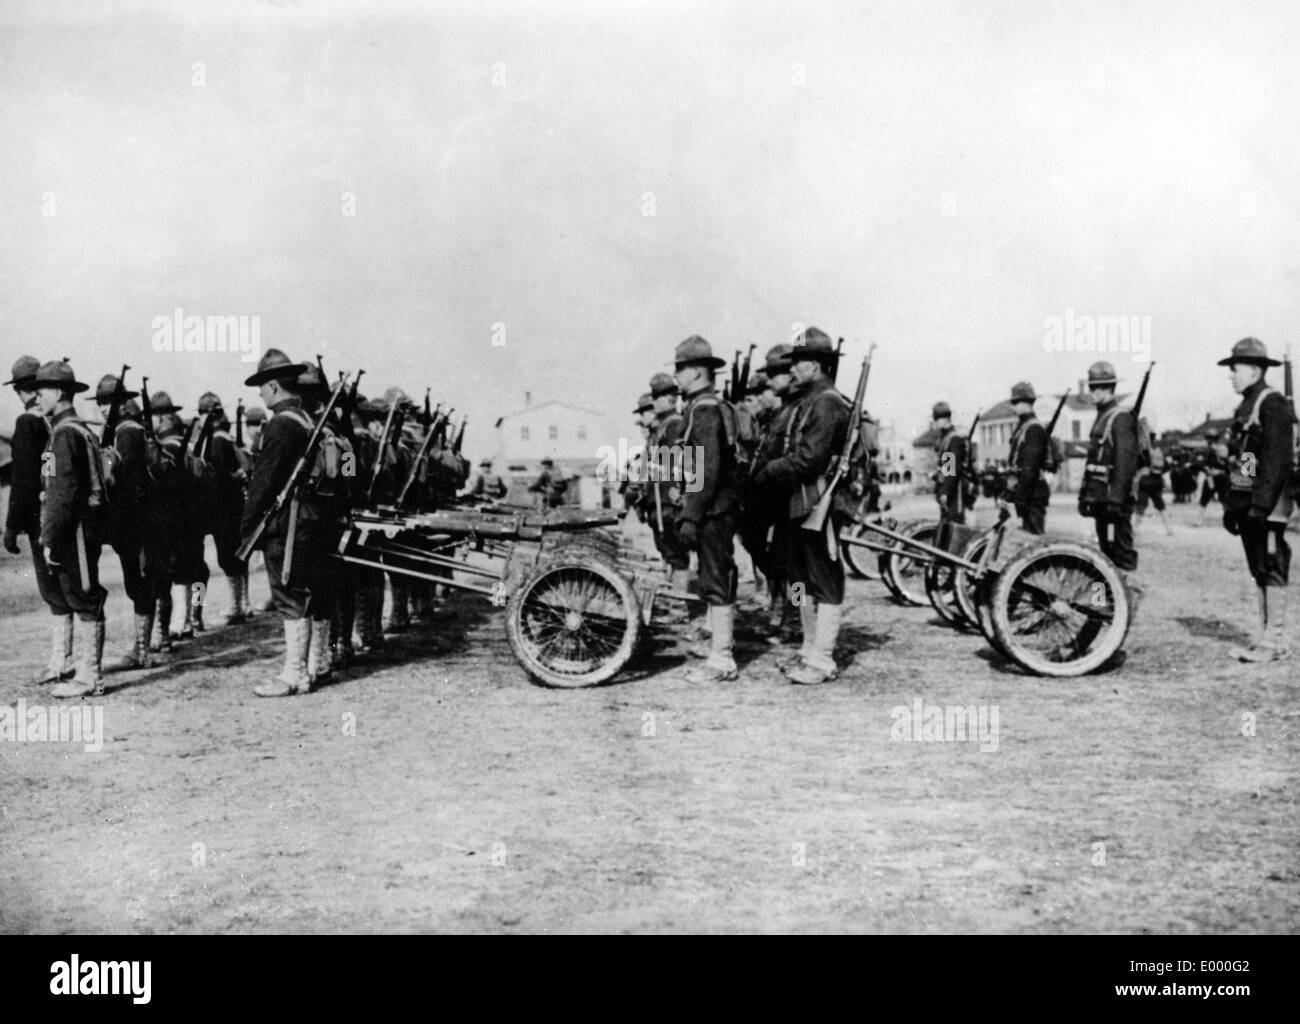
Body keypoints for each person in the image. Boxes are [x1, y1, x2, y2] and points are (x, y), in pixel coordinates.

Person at [754, 327, 850, 684]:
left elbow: (809, 460)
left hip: (821, 501)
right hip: (802, 502)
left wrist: (768, 472)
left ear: (817, 365)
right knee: (800, 580)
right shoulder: (810, 402)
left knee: (824, 579)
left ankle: (823, 659)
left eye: (799, 362)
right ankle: (809, 648)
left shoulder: (826, 403)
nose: (792, 369)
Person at [239, 347, 324, 697]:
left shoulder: (279, 425)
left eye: (262, 386)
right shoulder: (307, 420)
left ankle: (294, 674)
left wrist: (246, 530)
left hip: (287, 524)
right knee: (305, 594)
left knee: (289, 596)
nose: (260, 394)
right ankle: (310, 667)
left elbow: (263, 484)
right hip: (310, 519)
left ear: (273, 387)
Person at [31, 361, 110, 698]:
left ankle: (90, 677)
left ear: (59, 392)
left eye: (43, 389)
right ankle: (86, 672)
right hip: (81, 528)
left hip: (74, 531)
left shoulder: (65, 433)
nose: (38, 395)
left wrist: (49, 538)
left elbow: (61, 492)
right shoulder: (75, 430)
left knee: (83, 596)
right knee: (82, 594)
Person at [1218, 338, 1295, 661]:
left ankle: (1273, 640)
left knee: (1273, 566)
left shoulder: (1272, 403)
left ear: (1253, 370)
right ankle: (1267, 638)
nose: (1230, 376)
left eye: (1234, 370)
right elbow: (1246, 462)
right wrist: (1234, 505)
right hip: (1250, 503)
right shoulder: (1248, 405)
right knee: (1259, 567)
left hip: (1269, 506)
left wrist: (1260, 505)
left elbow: (1276, 461)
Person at [670, 335, 742, 683]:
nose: (677, 377)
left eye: (681, 369)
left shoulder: (706, 409)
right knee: (714, 576)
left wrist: (691, 513)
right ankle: (719, 648)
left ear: (698, 372)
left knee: (717, 577)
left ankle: (722, 658)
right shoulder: (703, 407)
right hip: (713, 506)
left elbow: (706, 468)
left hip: (714, 508)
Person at [4, 355, 73, 684]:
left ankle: (60, 661)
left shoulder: (26, 423)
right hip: (60, 514)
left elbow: (23, 480)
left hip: (38, 519)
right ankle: (67, 658)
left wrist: (11, 525)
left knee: (52, 591)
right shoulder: (50, 421)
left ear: (23, 389)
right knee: (67, 586)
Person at [95, 373, 162, 670]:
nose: (101, 408)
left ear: (122, 405)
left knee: (140, 583)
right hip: (138, 520)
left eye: (107, 402)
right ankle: (142, 647)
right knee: (139, 582)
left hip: (138, 521)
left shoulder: (128, 431)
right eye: (99, 402)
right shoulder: (129, 430)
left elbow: (117, 475)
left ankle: (142, 650)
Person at [1077, 361, 1141, 581]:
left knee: (1121, 556)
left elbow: (1125, 462)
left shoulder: (1120, 417)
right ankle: (1102, 606)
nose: (1093, 392)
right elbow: (1093, 460)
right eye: (1092, 387)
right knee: (1101, 557)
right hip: (1100, 497)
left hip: (1115, 500)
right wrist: (1084, 495)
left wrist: (1116, 499)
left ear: (1108, 389)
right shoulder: (1102, 416)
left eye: (1097, 388)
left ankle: (1124, 608)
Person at [1001, 381, 1049, 534]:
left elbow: (1029, 468)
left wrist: (945, 491)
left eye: (1015, 402)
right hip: (1021, 491)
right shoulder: (1023, 427)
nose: (1012, 406)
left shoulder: (952, 442)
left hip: (1030, 493)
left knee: (1032, 539)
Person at [930, 401, 968, 525]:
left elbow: (951, 470)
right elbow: (946, 468)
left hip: (954, 493)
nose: (935, 422)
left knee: (954, 528)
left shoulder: (953, 439)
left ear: (945, 419)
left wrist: (945, 492)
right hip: (948, 490)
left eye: (937, 419)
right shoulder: (945, 439)